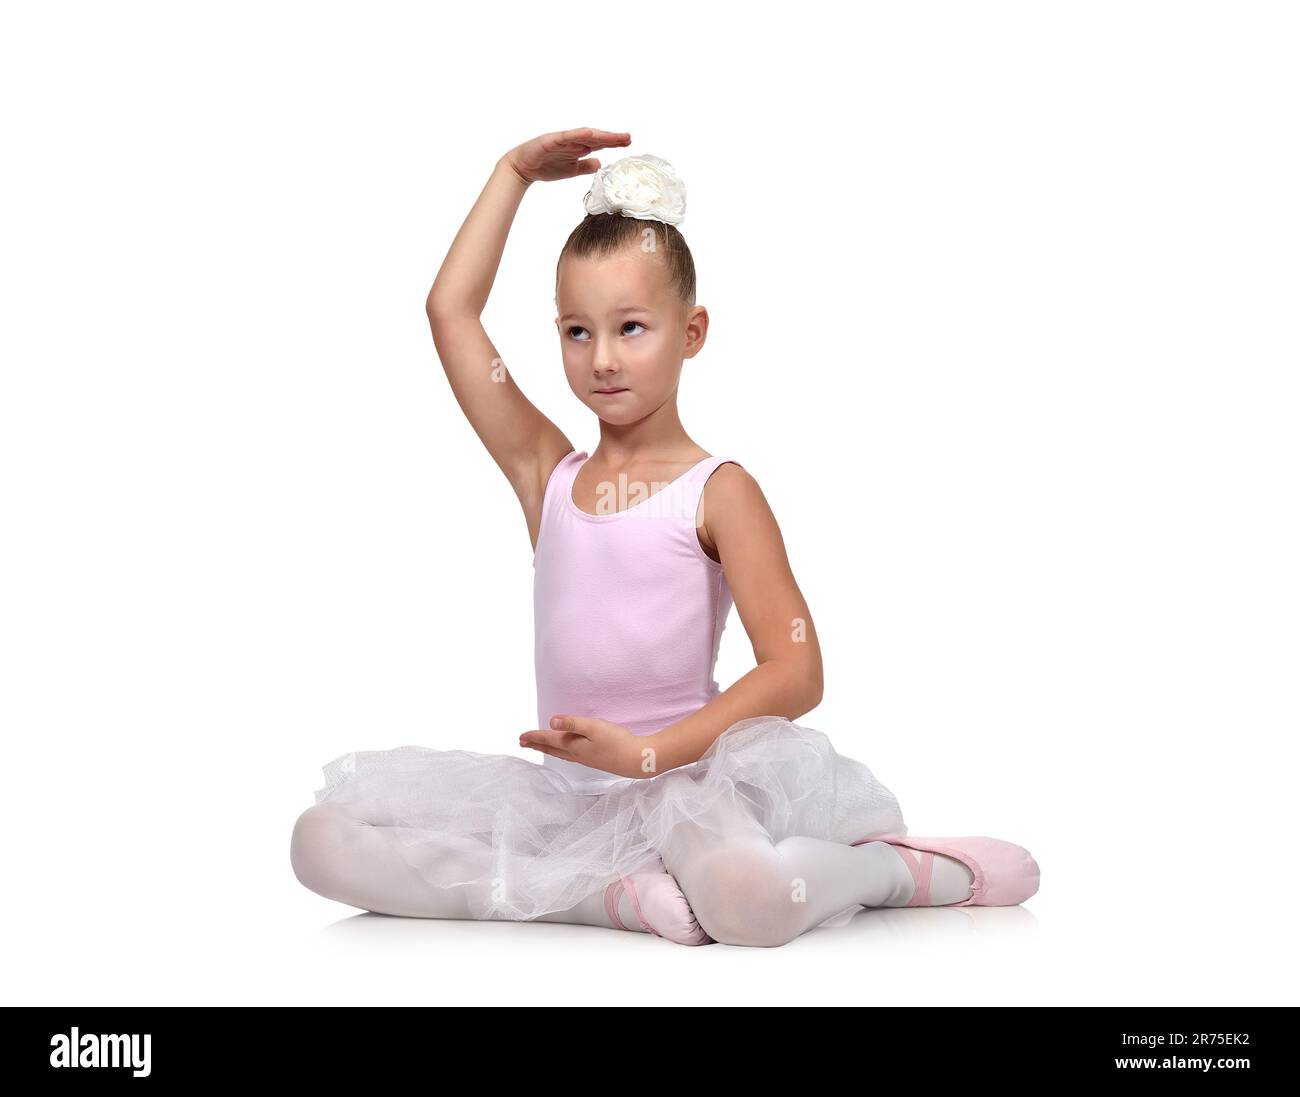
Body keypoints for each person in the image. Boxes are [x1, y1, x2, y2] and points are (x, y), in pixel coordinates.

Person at [289, 128, 1040, 947]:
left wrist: (651, 753)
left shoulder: (718, 490)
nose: (603, 358)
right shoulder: (550, 475)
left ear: (692, 331)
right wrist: (510, 176)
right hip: (565, 801)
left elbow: (797, 667)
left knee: (753, 903)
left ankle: (901, 870)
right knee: (319, 842)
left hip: (687, 782)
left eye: (632, 327)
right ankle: (606, 895)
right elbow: (451, 313)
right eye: (577, 331)